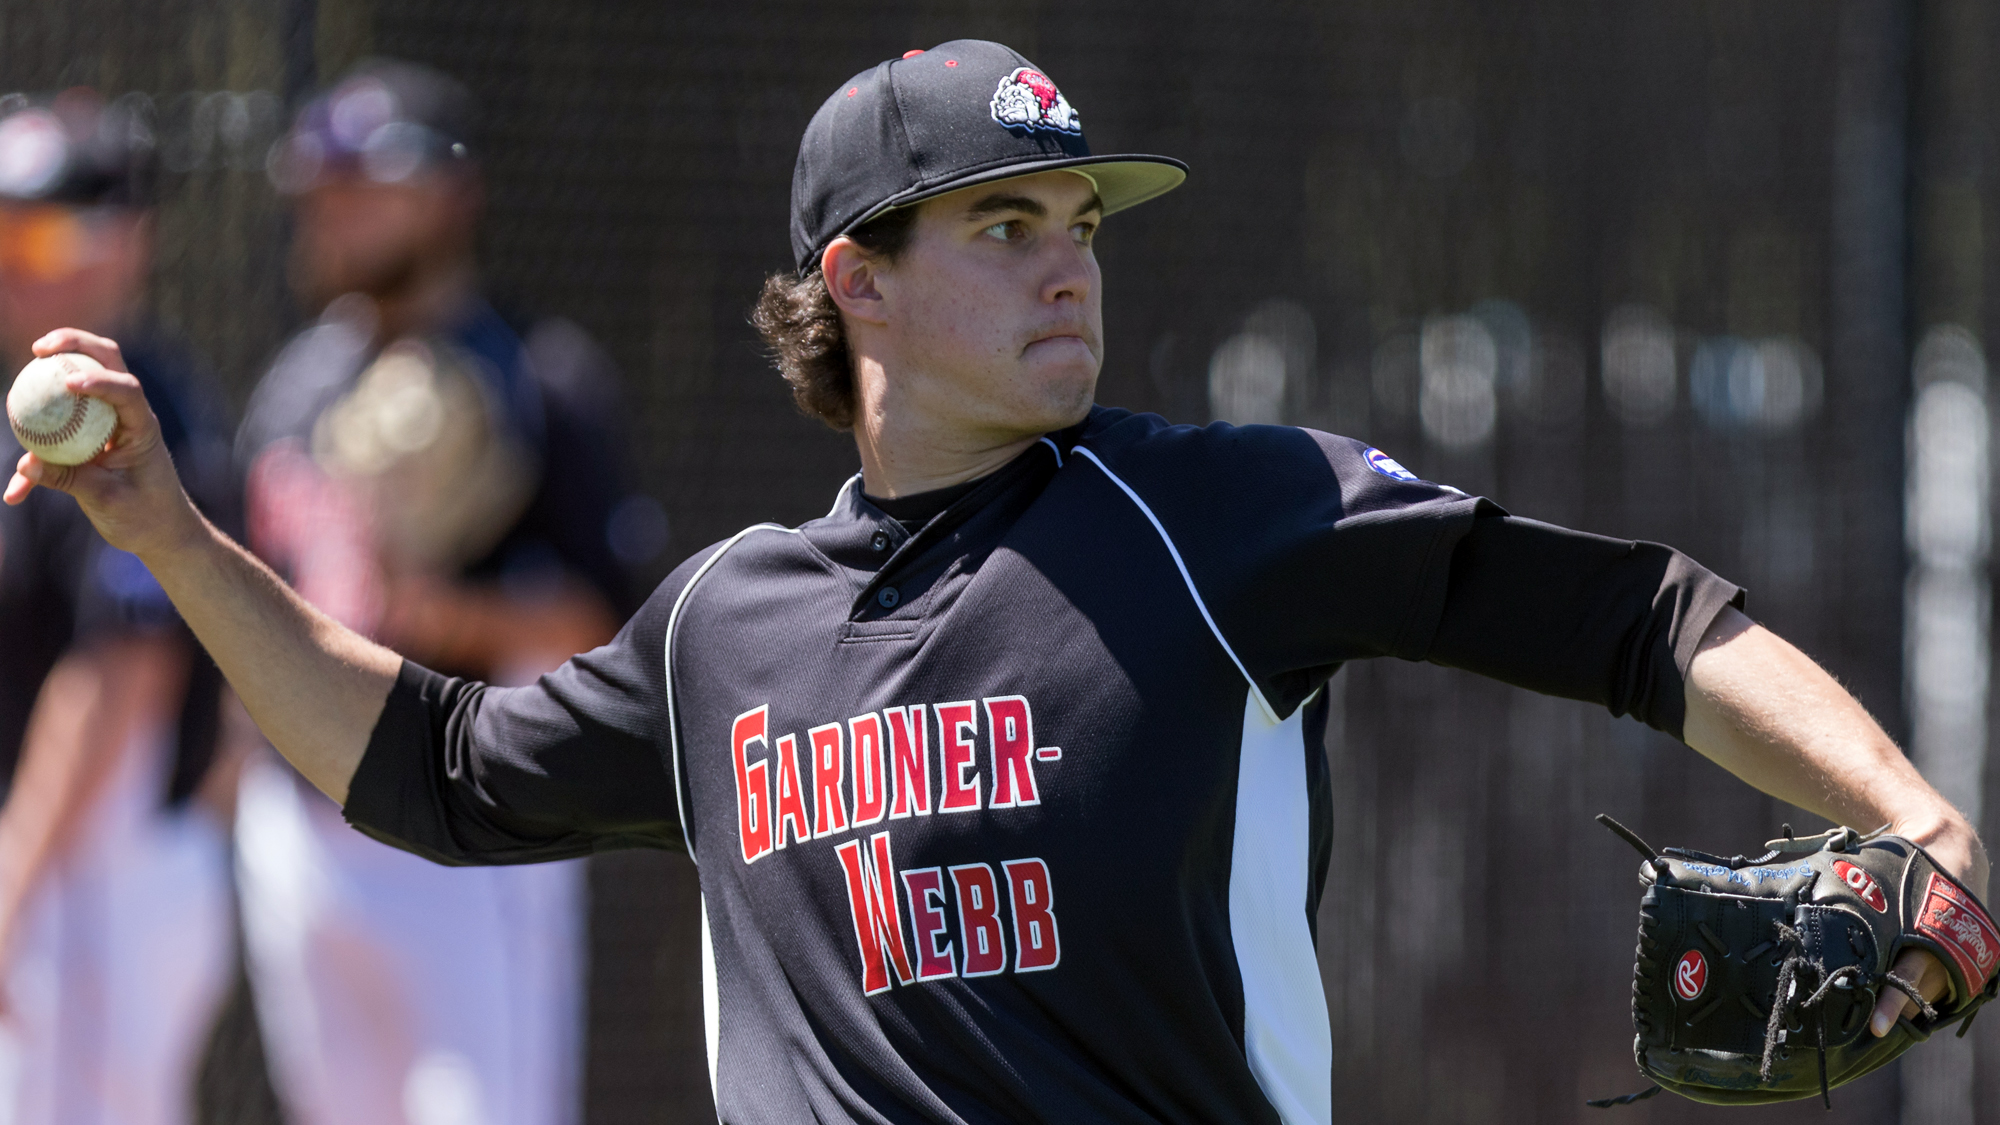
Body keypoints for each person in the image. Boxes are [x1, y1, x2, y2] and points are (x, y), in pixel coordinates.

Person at [4, 40, 1988, 1125]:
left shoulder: (1226, 515)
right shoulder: (725, 624)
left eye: (1081, 222)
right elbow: (428, 769)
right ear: (852, 277)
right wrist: (176, 534)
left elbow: (1644, 618)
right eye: (1004, 219)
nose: (1069, 261)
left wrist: (1911, 824)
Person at [230, 60, 629, 1125]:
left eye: (369, 185)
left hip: (460, 822)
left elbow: (601, 621)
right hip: (296, 820)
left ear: (453, 194)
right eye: (325, 187)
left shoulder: (542, 378)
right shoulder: (295, 383)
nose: (337, 209)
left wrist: (430, 606)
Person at [0, 90, 240, 1125]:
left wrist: (10, 885)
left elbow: (124, 675)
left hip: (102, 856)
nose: (15, 255)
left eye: (46, 228)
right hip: (43, 854)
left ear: (127, 239)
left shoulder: (148, 409)